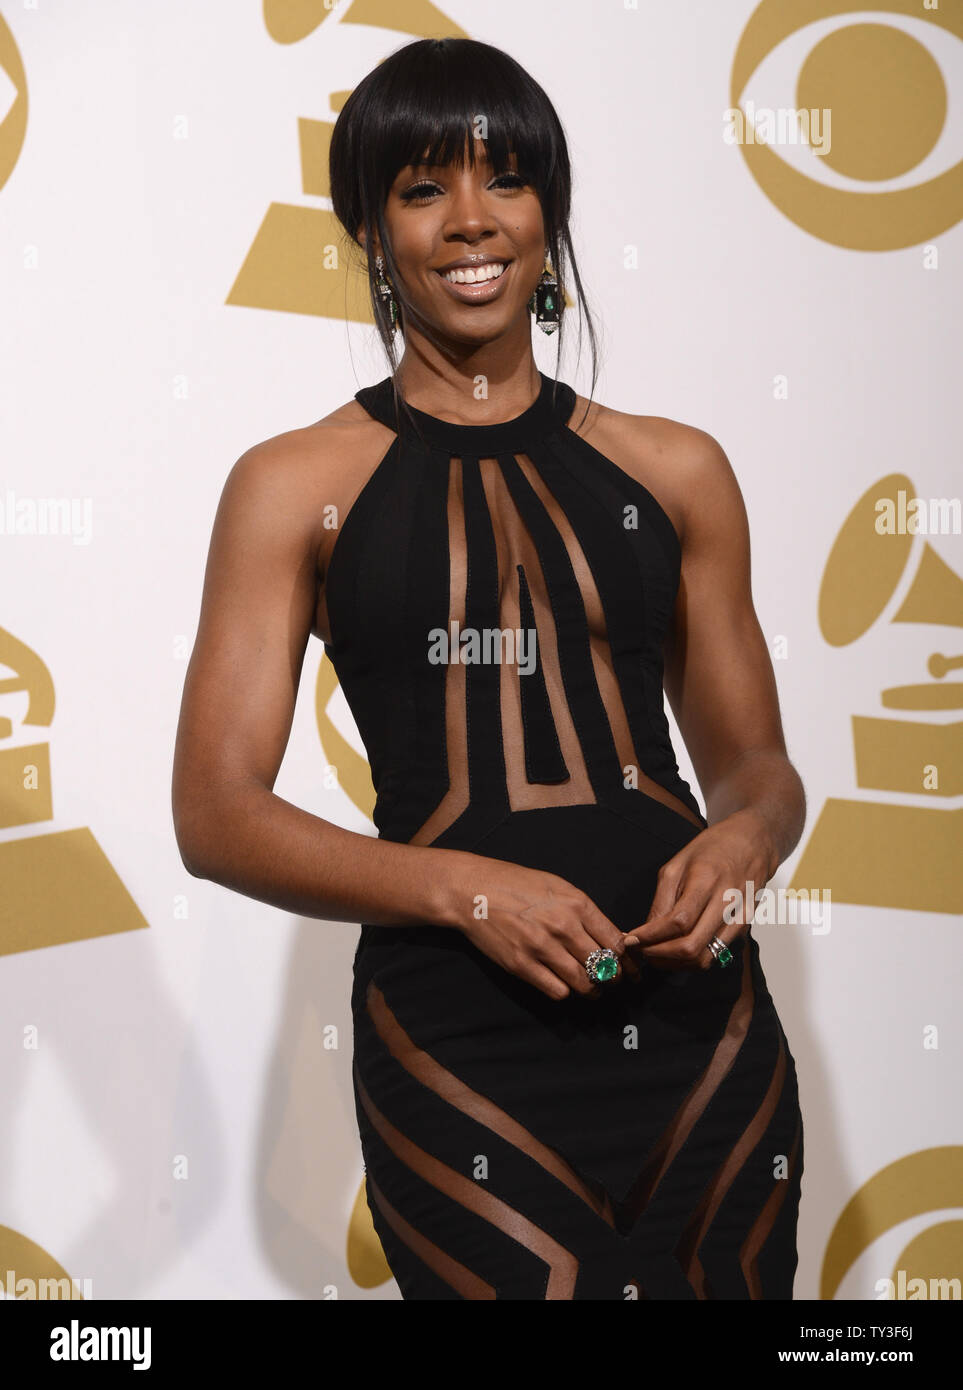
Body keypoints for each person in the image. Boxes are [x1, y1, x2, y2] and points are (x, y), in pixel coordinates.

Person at [172, 36, 806, 1300]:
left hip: (698, 1025)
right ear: (370, 228)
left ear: (550, 210)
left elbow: (757, 767)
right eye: (420, 189)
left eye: (505, 181)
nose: (472, 221)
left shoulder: (677, 469)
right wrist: (465, 890)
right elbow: (216, 813)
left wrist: (747, 846)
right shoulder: (293, 485)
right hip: (457, 1035)